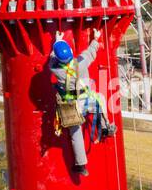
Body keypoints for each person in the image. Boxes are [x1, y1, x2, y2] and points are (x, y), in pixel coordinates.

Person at [46, 32, 116, 176]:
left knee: (75, 133)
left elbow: (52, 59)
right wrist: (96, 38)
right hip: (86, 100)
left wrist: (57, 41)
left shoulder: (56, 69)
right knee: (100, 99)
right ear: (71, 52)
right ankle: (105, 126)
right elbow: (91, 51)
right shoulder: (81, 63)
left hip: (72, 105)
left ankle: (81, 165)